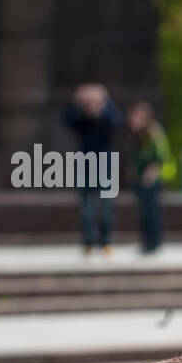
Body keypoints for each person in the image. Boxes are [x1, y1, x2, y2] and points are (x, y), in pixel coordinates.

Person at [63, 82, 122, 256]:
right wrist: (76, 102)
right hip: (85, 166)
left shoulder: (107, 117)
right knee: (87, 208)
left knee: (106, 207)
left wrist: (105, 103)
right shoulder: (82, 119)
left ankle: (106, 241)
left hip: (105, 166)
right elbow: (66, 120)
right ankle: (88, 241)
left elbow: (117, 121)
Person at [125, 102, 175, 255]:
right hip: (140, 179)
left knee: (152, 211)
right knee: (143, 212)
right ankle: (146, 241)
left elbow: (159, 157)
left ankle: (154, 242)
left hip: (151, 180)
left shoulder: (153, 133)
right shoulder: (137, 135)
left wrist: (151, 174)